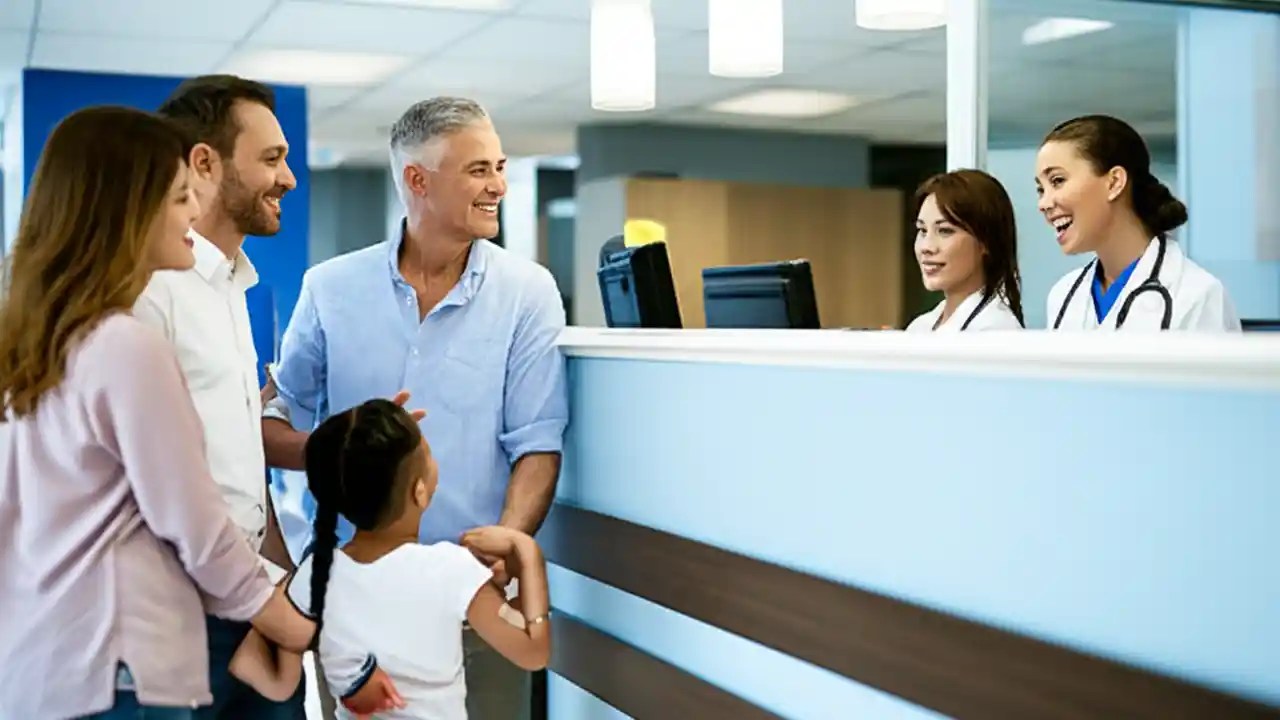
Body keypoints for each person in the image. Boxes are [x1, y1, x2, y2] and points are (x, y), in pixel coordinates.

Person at [0, 106, 314, 720]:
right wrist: (289, 618)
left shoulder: (31, 342)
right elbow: (192, 520)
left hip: (44, 667)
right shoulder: (125, 344)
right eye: (177, 199)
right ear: (125, 211)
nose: (194, 214)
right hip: (125, 670)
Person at [263, 96, 568, 720]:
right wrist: (338, 444)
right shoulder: (330, 288)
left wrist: (503, 551)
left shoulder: (527, 293)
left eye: (501, 166)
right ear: (417, 180)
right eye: (478, 169)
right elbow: (271, 424)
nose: (499, 186)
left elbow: (537, 443)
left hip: (471, 600)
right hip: (353, 601)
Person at [131, 74, 306, 720]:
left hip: (251, 609)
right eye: (271, 159)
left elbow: (236, 467)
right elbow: (157, 484)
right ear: (204, 161)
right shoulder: (152, 288)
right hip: (181, 621)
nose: (288, 178)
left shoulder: (233, 287)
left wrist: (280, 577)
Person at [234, 399, 552, 719]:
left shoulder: (315, 577)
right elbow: (532, 650)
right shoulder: (451, 570)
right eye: (428, 455)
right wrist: (526, 553)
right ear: (420, 492)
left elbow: (264, 674)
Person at [1036, 114, 1240, 331]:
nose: (1043, 203)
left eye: (1058, 181)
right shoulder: (1064, 296)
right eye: (1040, 189)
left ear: (1114, 182)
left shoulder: (1197, 296)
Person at [906, 169, 1024, 332]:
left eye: (945, 231)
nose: (926, 247)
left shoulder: (997, 330)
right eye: (922, 230)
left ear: (985, 241)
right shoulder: (920, 327)